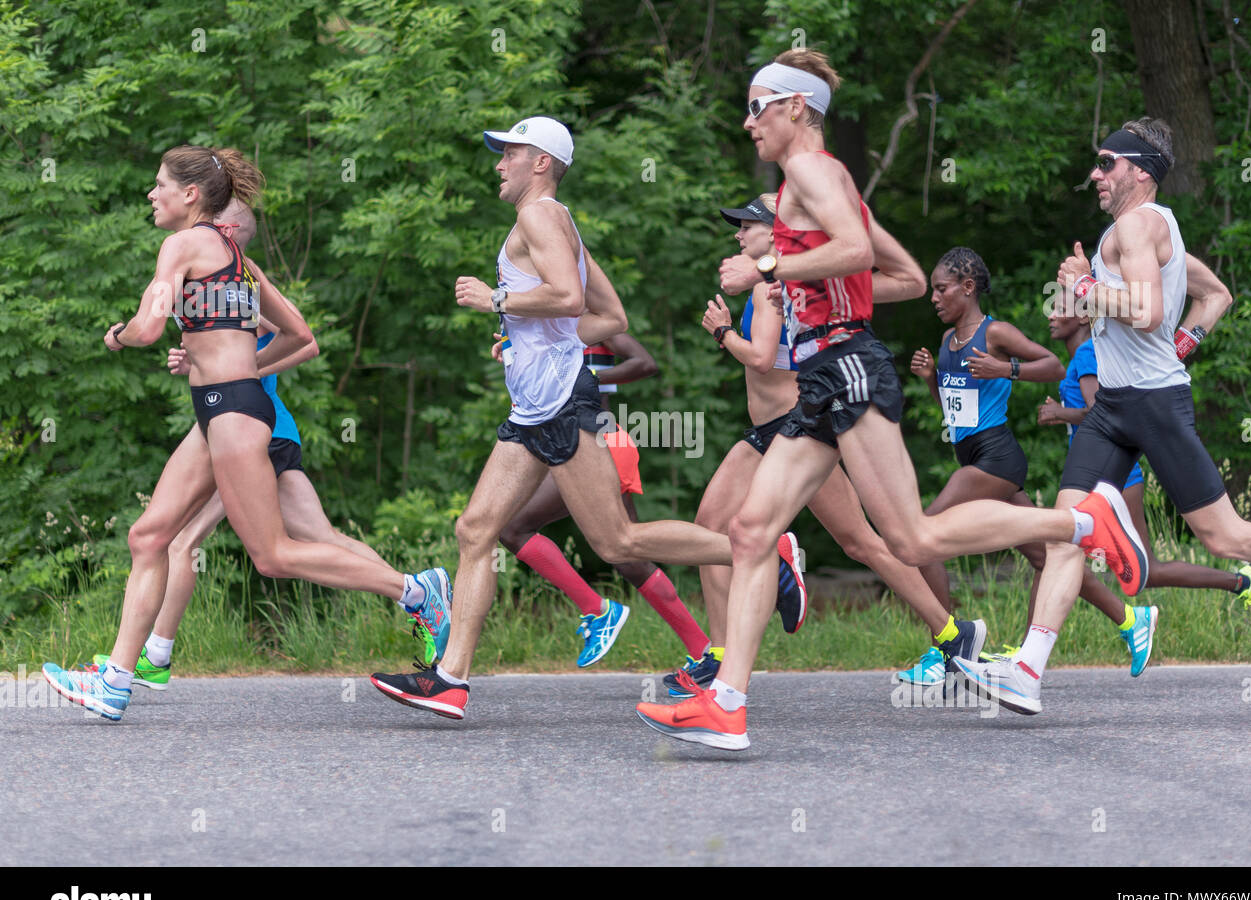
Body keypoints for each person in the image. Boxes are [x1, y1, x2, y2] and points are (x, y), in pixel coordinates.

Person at [635, 50, 1143, 750]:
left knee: (912, 537)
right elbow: (901, 276)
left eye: (757, 106)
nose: (747, 120)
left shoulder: (812, 171)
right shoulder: (810, 185)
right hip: (820, 379)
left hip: (847, 369)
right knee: (752, 533)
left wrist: (769, 266)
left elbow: (849, 249)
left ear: (794, 109)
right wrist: (816, 286)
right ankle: (727, 704)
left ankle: (1082, 527)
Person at [369, 117, 803, 720]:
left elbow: (571, 301)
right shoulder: (562, 223)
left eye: (510, 154)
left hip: (562, 405)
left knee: (617, 540)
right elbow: (611, 317)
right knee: (476, 529)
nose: (499, 164)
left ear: (541, 161)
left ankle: (764, 555)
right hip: (533, 407)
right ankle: (451, 679)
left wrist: (495, 300)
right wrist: (531, 339)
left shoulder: (539, 216)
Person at [42, 146, 450, 721]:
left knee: (274, 554)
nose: (151, 194)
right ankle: (115, 681)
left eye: (159, 185)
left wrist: (119, 337)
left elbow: (152, 324)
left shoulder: (180, 246)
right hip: (223, 407)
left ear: (190, 195)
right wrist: (240, 370)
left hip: (232, 414)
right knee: (149, 535)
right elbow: (299, 335)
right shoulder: (236, 257)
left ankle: (416, 591)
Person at [954, 117, 1251, 714]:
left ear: (1140, 171)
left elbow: (1144, 308)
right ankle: (1027, 672)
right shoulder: (1155, 229)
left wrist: (1084, 288)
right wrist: (1182, 343)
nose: (1095, 174)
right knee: (1064, 530)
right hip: (1111, 406)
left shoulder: (1138, 224)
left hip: (1155, 404)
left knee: (1227, 534)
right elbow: (1215, 296)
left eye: (1106, 163)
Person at [87, 200, 411, 689]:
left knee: (229, 548)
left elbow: (297, 341)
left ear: (228, 231)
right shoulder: (224, 283)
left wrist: (235, 369)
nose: (153, 196)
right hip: (241, 417)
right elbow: (248, 344)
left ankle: (153, 656)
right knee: (172, 537)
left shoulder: (236, 281)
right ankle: (129, 669)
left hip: (247, 424)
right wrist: (200, 364)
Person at [673, 197, 987, 698]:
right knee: (712, 527)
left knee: (862, 541)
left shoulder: (768, 286)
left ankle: (951, 632)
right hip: (768, 433)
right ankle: (719, 653)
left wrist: (722, 333)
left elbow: (758, 358)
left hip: (794, 429)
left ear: (774, 234)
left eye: (747, 227)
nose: (738, 235)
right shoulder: (772, 286)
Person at [898, 247, 1157, 684]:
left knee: (921, 534)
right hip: (972, 452)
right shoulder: (947, 343)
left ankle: (944, 646)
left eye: (941, 290)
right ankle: (1131, 620)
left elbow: (1053, 364)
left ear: (968, 288)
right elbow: (953, 412)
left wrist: (1005, 368)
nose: (934, 298)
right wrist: (930, 381)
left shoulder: (994, 332)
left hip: (996, 457)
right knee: (1044, 554)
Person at [1039, 296, 1251, 647]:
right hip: (1102, 471)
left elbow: (1097, 412)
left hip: (1114, 475)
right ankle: (1232, 586)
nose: (1052, 315)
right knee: (1080, 553)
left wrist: (1061, 414)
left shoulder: (1090, 353)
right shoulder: (1084, 355)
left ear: (1083, 315)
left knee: (1070, 549)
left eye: (1061, 308)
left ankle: (1238, 584)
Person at [488, 331, 714, 670]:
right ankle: (704, 651)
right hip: (583, 441)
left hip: (596, 441)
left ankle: (597, 610)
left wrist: (592, 374)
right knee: (630, 556)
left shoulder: (594, 324)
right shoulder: (549, 328)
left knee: (513, 528)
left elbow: (645, 362)